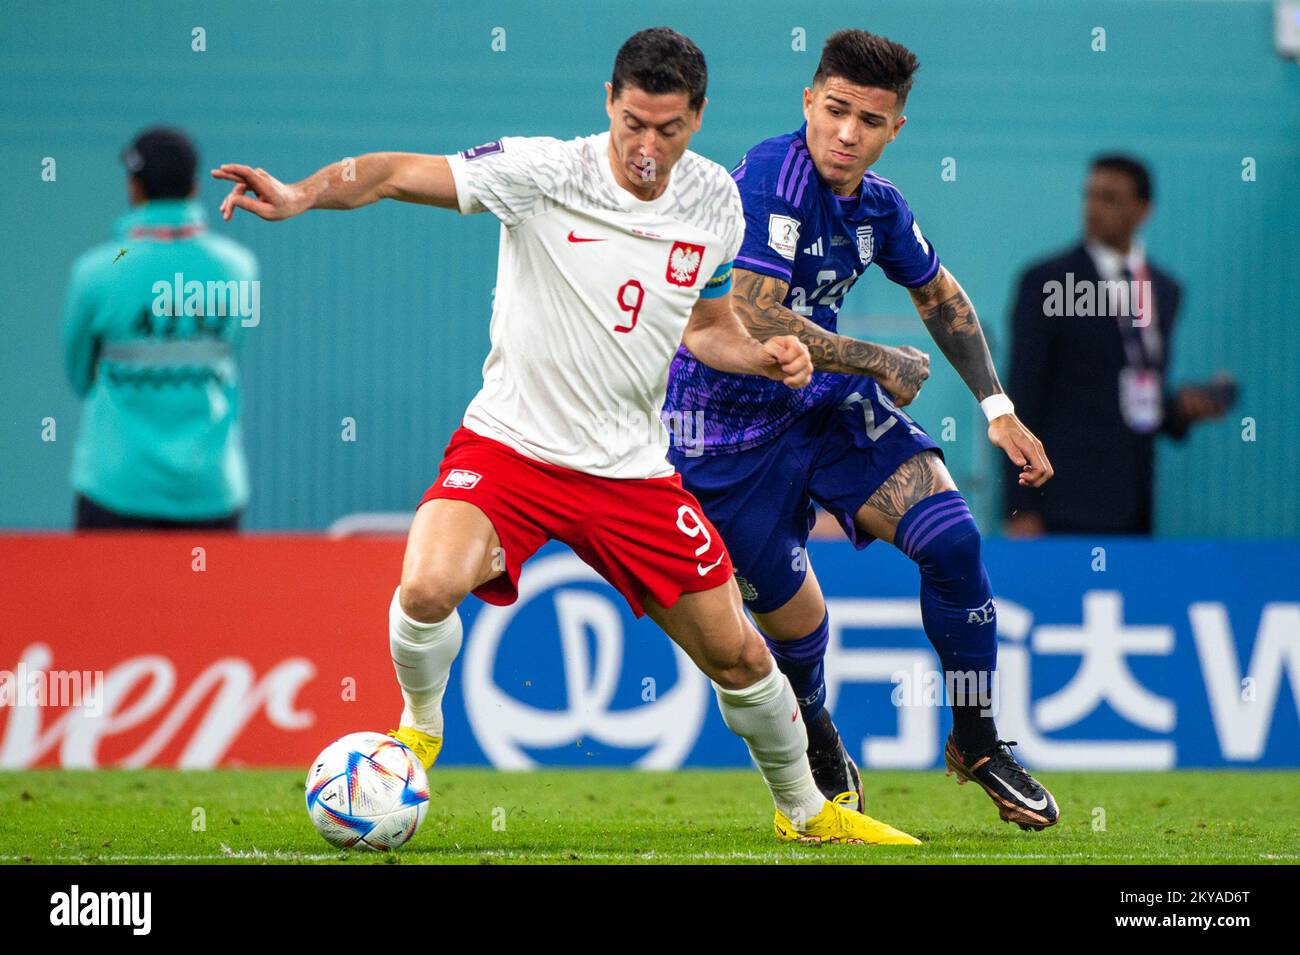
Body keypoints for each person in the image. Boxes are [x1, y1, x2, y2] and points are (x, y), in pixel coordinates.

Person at [213, 27, 918, 845]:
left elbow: (707, 326)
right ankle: (418, 727)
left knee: (743, 659)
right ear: (609, 106)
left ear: (697, 118)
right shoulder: (543, 171)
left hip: (629, 471)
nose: (648, 149)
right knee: (427, 586)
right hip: (511, 448)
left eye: (669, 129)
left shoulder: (716, 203)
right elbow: (391, 174)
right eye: (633, 125)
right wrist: (301, 193)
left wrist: (764, 354)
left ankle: (807, 812)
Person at [662, 29, 1060, 830]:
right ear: (808, 102)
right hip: (723, 433)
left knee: (952, 540)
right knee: (795, 622)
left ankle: (977, 739)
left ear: (894, 131)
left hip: (828, 408)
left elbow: (942, 299)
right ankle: (815, 729)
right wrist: (879, 359)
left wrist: (997, 405)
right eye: (836, 110)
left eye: (870, 121)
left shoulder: (879, 208)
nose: (847, 134)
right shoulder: (771, 178)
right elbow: (751, 313)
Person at [1003, 155, 1230, 537]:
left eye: (1109, 198)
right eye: (1090, 196)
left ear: (1142, 210)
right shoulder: (1047, 281)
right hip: (1059, 502)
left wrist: (1182, 410)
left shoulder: (1165, 289)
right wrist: (1019, 507)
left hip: (1133, 501)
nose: (1093, 209)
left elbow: (1135, 391)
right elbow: (1021, 396)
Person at [63, 127, 257, 530]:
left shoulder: (96, 272)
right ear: (194, 187)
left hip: (115, 490)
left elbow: (80, 376)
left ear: (134, 188)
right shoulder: (239, 268)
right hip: (210, 492)